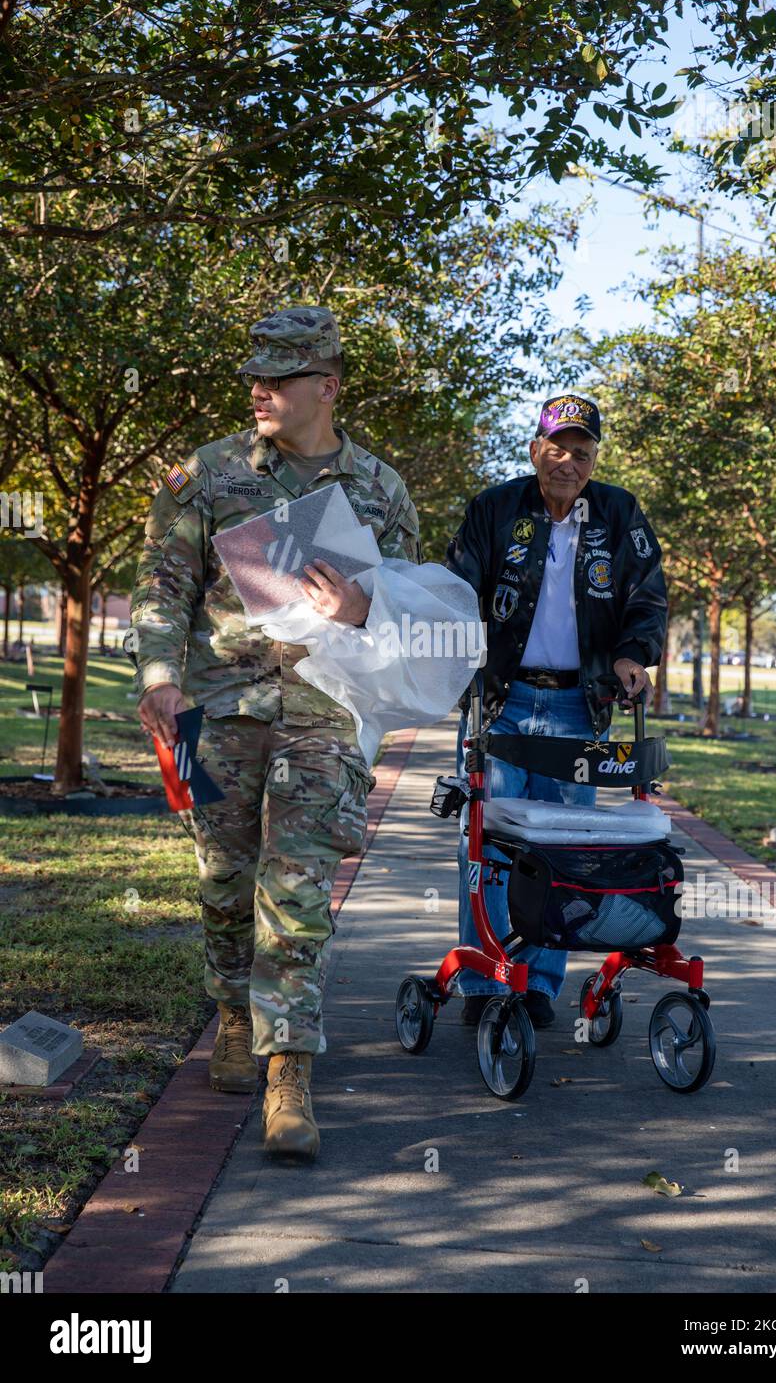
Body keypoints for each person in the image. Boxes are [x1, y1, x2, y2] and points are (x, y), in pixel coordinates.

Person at [127, 307, 421, 1160]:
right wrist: (158, 677)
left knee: (296, 888)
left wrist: (363, 608)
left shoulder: (381, 489)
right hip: (207, 711)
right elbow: (161, 585)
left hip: (325, 713)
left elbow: (411, 609)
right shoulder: (206, 474)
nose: (258, 390)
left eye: (278, 378)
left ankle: (289, 1071)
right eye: (253, 377)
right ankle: (232, 1012)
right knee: (223, 880)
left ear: (326, 386)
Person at [445, 393, 667, 1028]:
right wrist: (455, 663)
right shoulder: (494, 509)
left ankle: (539, 983)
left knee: (564, 848)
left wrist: (632, 655)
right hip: (501, 700)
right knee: (487, 844)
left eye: (582, 451)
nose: (569, 461)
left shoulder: (619, 513)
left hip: (579, 703)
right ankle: (486, 979)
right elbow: (457, 591)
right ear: (534, 450)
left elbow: (647, 596)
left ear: (595, 458)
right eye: (557, 448)